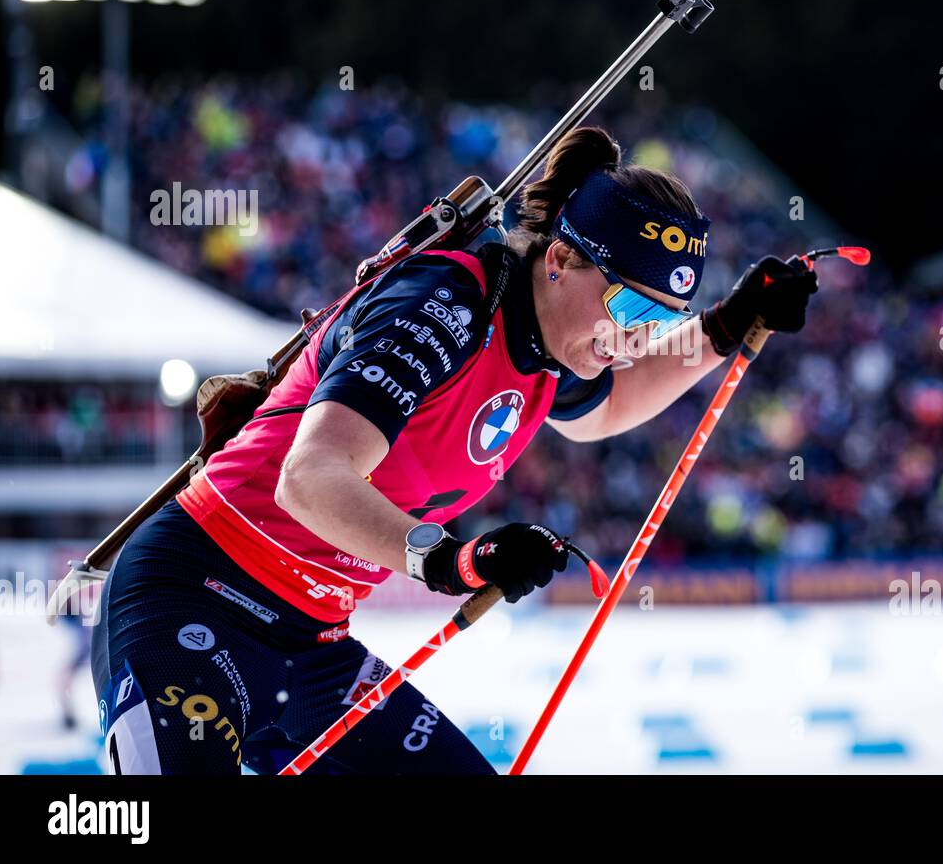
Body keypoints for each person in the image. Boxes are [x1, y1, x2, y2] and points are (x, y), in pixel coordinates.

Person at [90, 126, 819, 774]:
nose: (635, 339)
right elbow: (309, 478)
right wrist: (452, 561)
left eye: (664, 316)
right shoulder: (447, 306)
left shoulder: (553, 349)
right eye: (630, 307)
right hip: (194, 598)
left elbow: (613, 407)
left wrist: (726, 325)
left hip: (309, 643)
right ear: (561, 258)